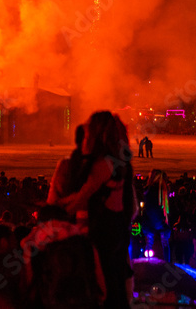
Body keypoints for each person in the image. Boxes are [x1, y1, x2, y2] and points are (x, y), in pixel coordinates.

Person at [57, 111, 136, 309]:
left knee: (105, 283)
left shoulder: (102, 164)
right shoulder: (116, 160)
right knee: (117, 280)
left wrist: (58, 209)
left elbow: (84, 195)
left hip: (105, 232)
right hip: (117, 227)